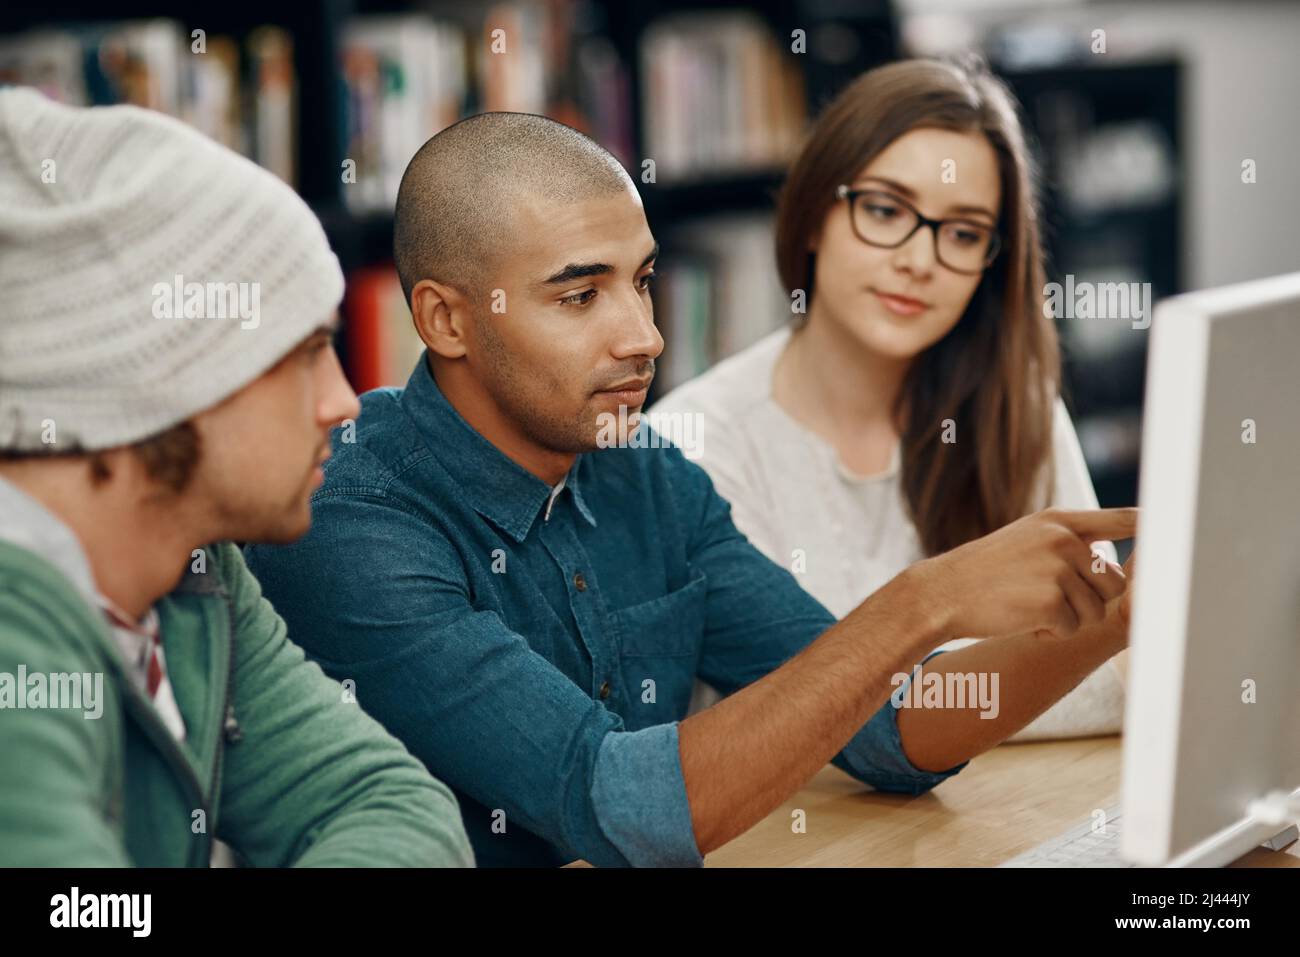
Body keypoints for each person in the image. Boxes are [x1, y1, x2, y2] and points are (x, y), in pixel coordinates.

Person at [244, 110, 1136, 868]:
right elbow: (613, 802)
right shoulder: (350, 513)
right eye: (580, 296)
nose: (646, 337)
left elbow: (891, 733)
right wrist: (925, 603)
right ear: (446, 319)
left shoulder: (643, 465)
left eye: (641, 282)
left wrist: (1125, 611)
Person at [0, 88, 473, 867]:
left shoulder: (192, 566)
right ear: (169, 379)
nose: (342, 400)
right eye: (305, 352)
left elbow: (391, 804)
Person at [654, 57, 1129, 736]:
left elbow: (1103, 668)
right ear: (816, 213)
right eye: (884, 209)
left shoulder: (1013, 406)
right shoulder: (692, 444)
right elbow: (815, 724)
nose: (919, 258)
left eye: (963, 233)